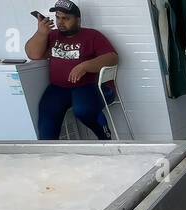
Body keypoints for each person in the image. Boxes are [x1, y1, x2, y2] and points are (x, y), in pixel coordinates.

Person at [25, 1, 119, 140]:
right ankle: (52, 154)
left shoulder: (92, 35)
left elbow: (112, 58)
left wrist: (85, 66)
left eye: (66, 18)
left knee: (84, 110)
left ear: (78, 20)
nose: (60, 22)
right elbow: (33, 54)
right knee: (47, 116)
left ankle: (106, 139)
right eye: (58, 17)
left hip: (87, 86)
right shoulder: (52, 35)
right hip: (58, 88)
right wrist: (41, 33)